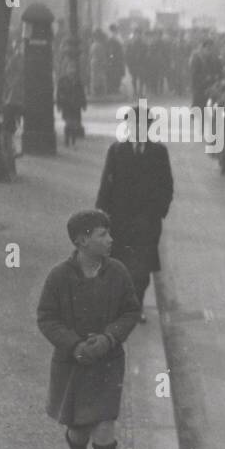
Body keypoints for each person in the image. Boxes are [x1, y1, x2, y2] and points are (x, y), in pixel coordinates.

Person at [37, 210, 142, 449]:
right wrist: (74, 345)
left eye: (109, 233)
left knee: (105, 428)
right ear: (82, 240)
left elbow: (130, 311)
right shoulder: (59, 276)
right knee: (79, 431)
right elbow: (46, 318)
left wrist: (109, 338)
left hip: (108, 363)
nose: (110, 239)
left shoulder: (118, 272)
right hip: (73, 365)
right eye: (102, 234)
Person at [94, 131, 173, 320]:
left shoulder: (159, 152)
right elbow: (106, 182)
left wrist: (160, 211)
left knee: (142, 269)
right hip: (120, 219)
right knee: (119, 263)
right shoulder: (116, 150)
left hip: (147, 221)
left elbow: (167, 184)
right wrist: (101, 213)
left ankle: (136, 308)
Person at [55, 64, 87, 148]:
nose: (71, 71)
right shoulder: (62, 80)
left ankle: (73, 140)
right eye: (70, 69)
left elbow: (82, 93)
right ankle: (67, 139)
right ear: (66, 70)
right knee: (68, 123)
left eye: (73, 69)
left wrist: (84, 104)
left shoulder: (78, 80)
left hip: (76, 106)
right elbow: (58, 94)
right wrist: (59, 105)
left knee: (75, 124)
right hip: (67, 105)